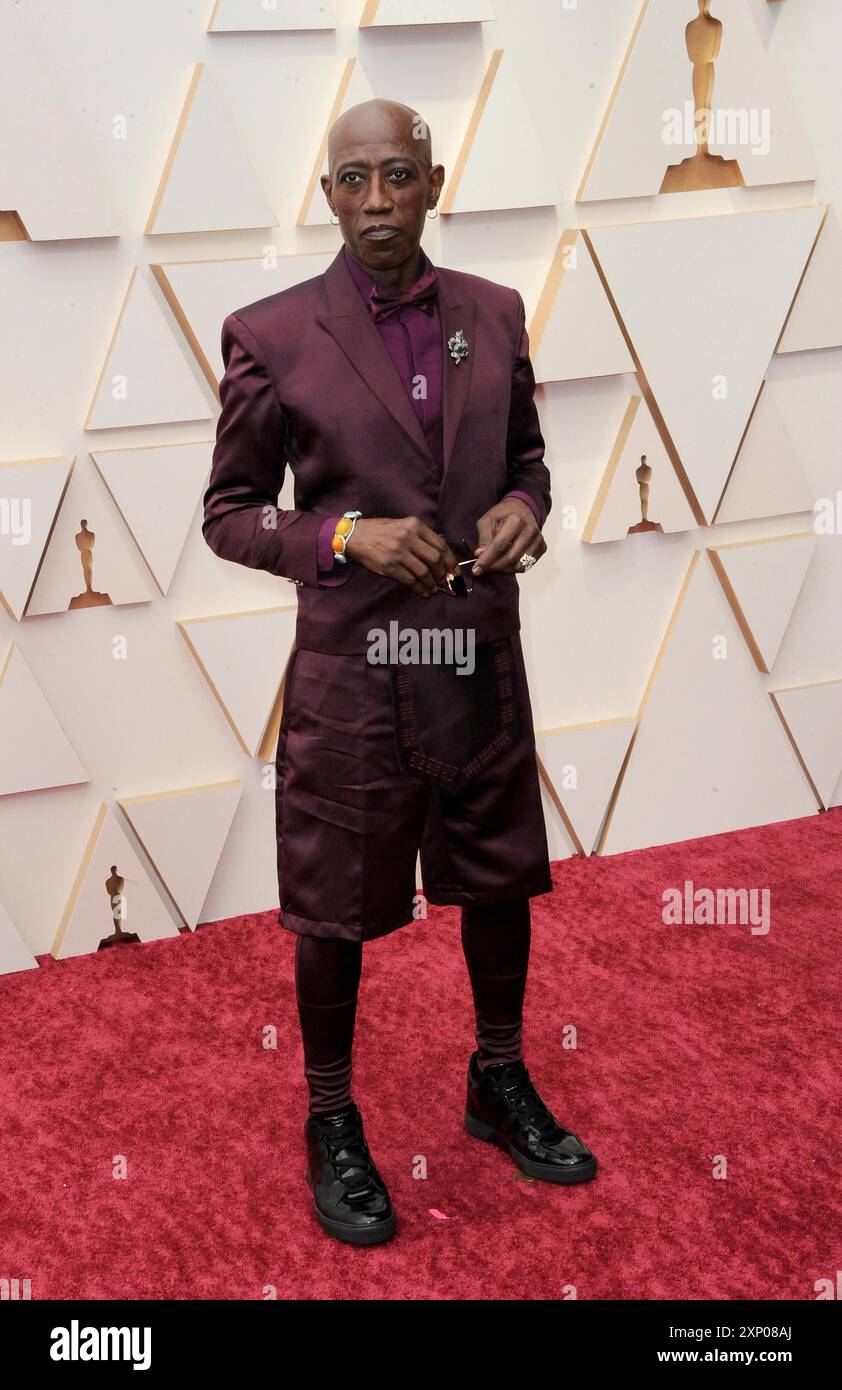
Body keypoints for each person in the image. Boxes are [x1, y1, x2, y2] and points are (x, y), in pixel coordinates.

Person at [202, 98, 597, 1247]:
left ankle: (497, 1077)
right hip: (351, 673)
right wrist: (338, 538)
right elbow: (229, 517)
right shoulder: (270, 333)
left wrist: (525, 506)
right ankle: (331, 1117)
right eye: (352, 182)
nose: (376, 203)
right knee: (333, 907)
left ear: (433, 181)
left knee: (497, 877)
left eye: (397, 178)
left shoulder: (494, 312)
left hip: (474, 656)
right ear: (327, 194)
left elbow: (526, 463)